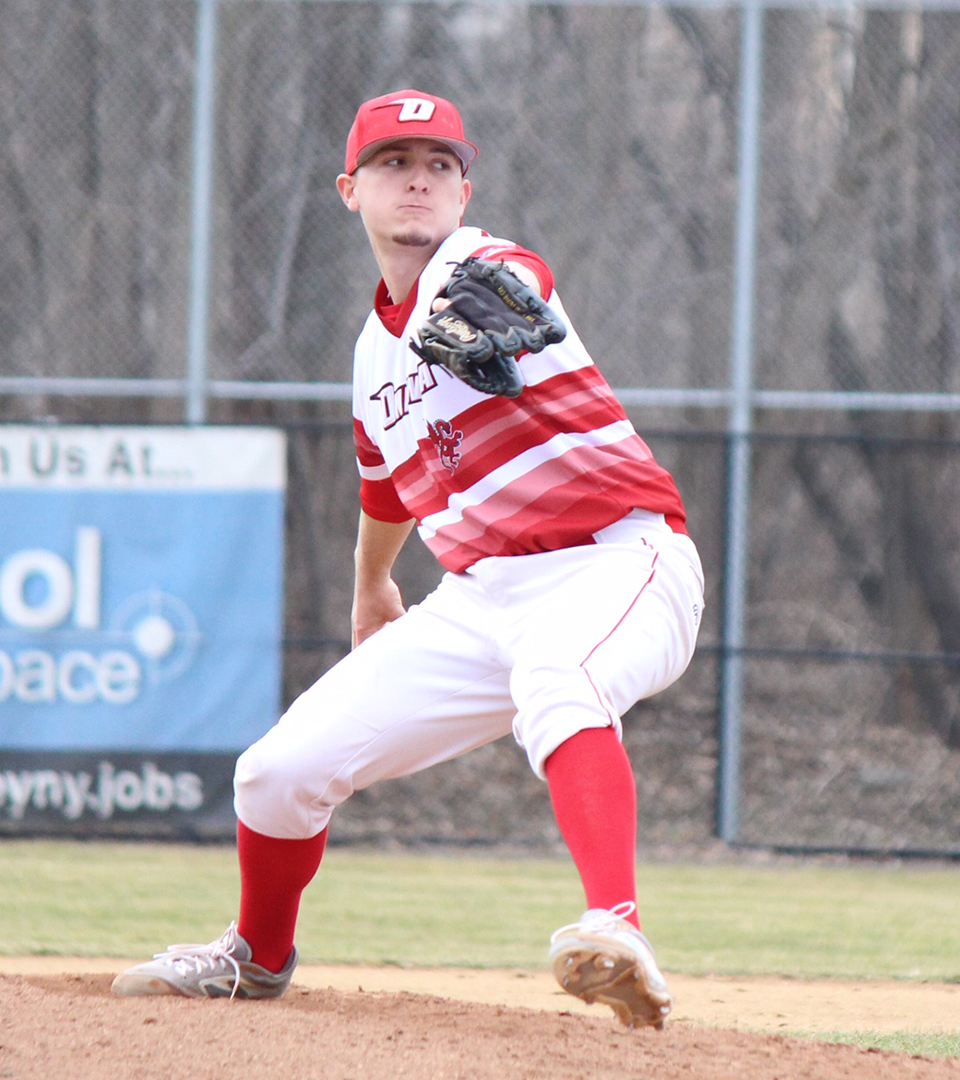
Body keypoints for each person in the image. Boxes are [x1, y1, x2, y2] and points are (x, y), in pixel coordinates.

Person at [111, 89, 703, 1030]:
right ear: (351, 190)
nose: (418, 180)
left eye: (439, 166)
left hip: (619, 561)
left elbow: (526, 275)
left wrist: (503, 292)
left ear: (465, 194)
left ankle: (614, 926)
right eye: (394, 164)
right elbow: (384, 485)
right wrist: (372, 584)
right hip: (479, 596)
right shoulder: (369, 355)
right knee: (275, 772)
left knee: (560, 677)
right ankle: (256, 959)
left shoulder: (479, 263)